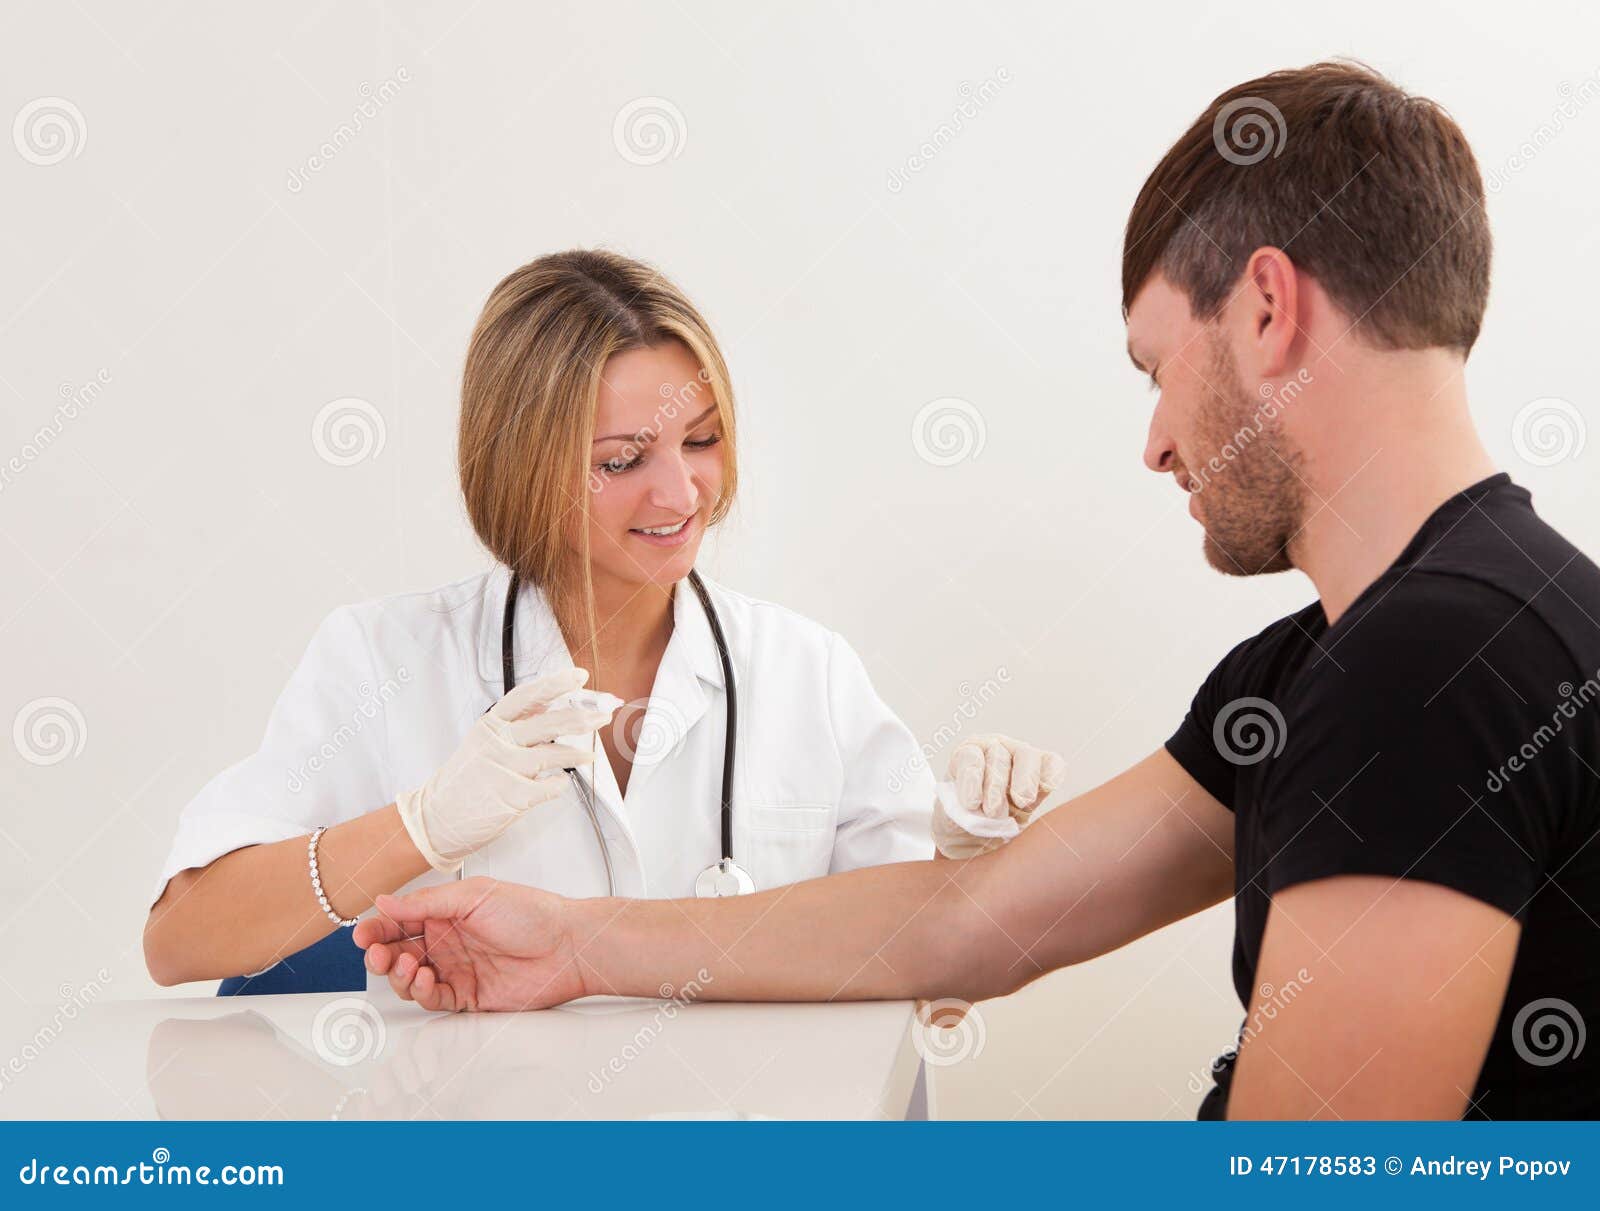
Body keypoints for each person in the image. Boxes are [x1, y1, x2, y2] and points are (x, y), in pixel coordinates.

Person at [355, 63, 1600, 1120]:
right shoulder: (1341, 659)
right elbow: (972, 919)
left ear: (1268, 308)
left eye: (1158, 365)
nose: (1157, 442)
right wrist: (574, 944)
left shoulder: (1426, 667)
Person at [143, 248, 1057, 988]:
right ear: (523, 466)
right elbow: (179, 940)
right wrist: (419, 826)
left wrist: (962, 855)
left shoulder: (802, 670)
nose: (680, 490)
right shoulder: (385, 657)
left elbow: (915, 962)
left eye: (701, 440)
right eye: (622, 460)